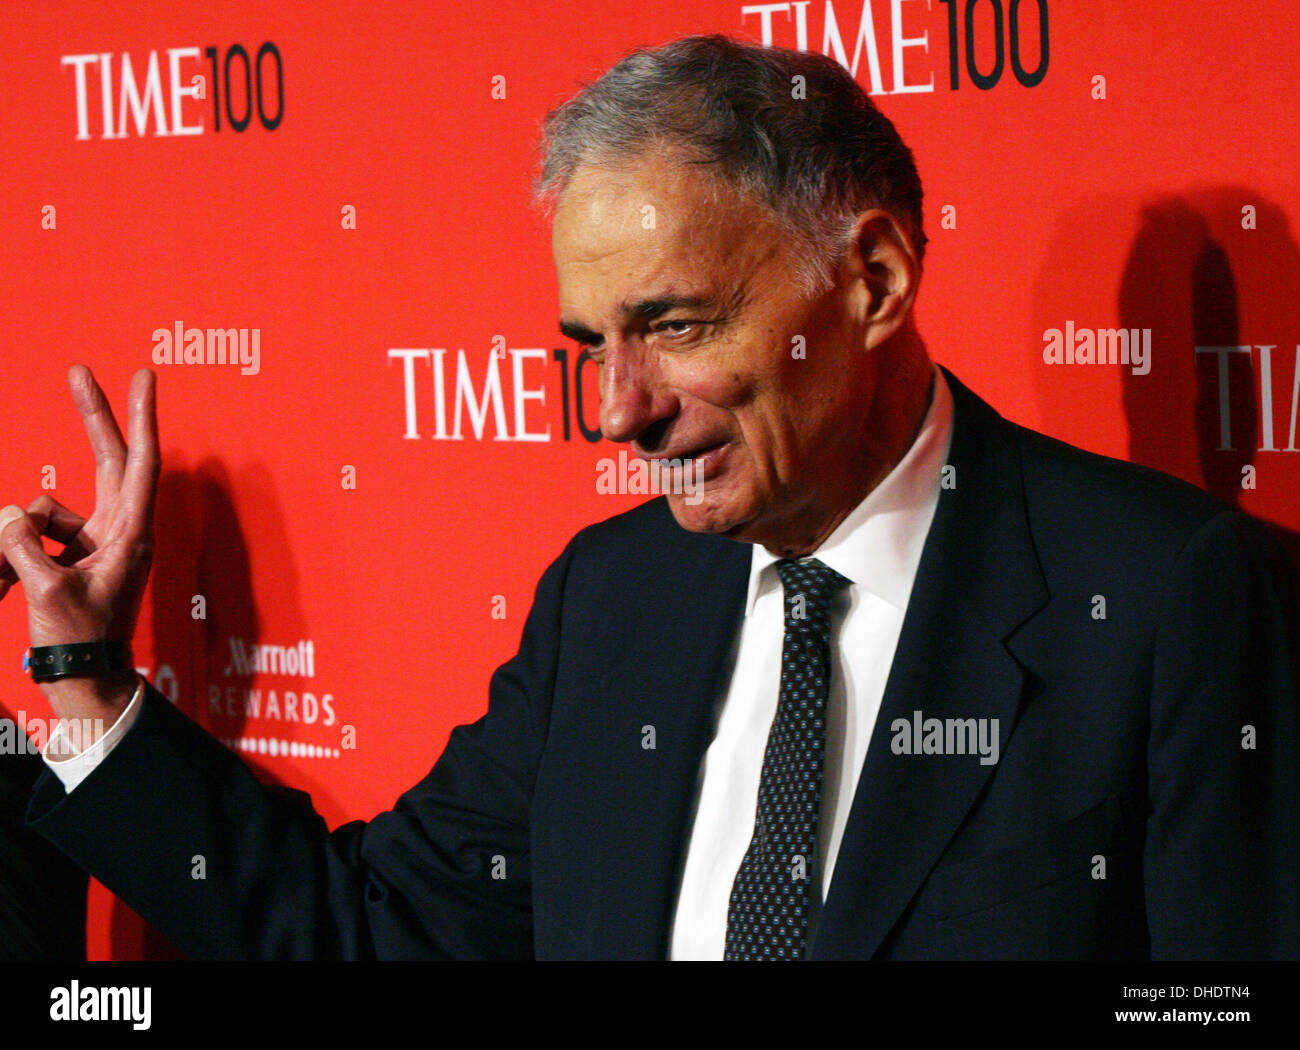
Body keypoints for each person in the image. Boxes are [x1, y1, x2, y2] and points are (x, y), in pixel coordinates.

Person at [2, 35, 1297, 960]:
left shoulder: (1165, 597)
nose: (616, 409)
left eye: (672, 324)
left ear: (877, 281)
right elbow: (372, 928)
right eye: (589, 344)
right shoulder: (609, 599)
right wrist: (90, 682)